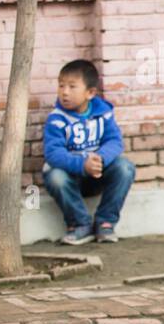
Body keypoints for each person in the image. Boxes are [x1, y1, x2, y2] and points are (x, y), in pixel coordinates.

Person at [43, 59, 135, 245]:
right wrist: (83, 165)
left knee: (125, 167)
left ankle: (105, 223)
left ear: (90, 93)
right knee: (54, 176)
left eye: (72, 86)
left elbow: (114, 141)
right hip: (71, 179)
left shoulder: (103, 113)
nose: (64, 92)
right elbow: (53, 153)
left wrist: (99, 159)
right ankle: (80, 225)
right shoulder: (57, 118)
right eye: (61, 86)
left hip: (98, 174)